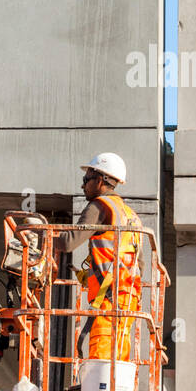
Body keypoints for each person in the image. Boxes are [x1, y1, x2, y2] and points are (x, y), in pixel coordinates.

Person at [57, 153, 143, 368]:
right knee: (119, 356)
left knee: (102, 357)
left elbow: (68, 243)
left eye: (87, 180)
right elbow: (137, 264)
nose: (82, 185)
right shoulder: (130, 214)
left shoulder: (99, 206)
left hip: (109, 297)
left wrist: (40, 235)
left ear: (101, 180)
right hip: (128, 296)